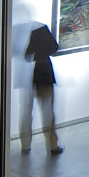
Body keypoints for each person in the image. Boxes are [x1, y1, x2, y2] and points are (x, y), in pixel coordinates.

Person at [21, 21, 63, 155]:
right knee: (48, 113)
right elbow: (54, 48)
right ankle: (52, 146)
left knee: (28, 112)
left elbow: (27, 56)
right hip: (46, 77)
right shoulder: (43, 31)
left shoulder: (34, 34)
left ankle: (26, 145)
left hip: (36, 77)